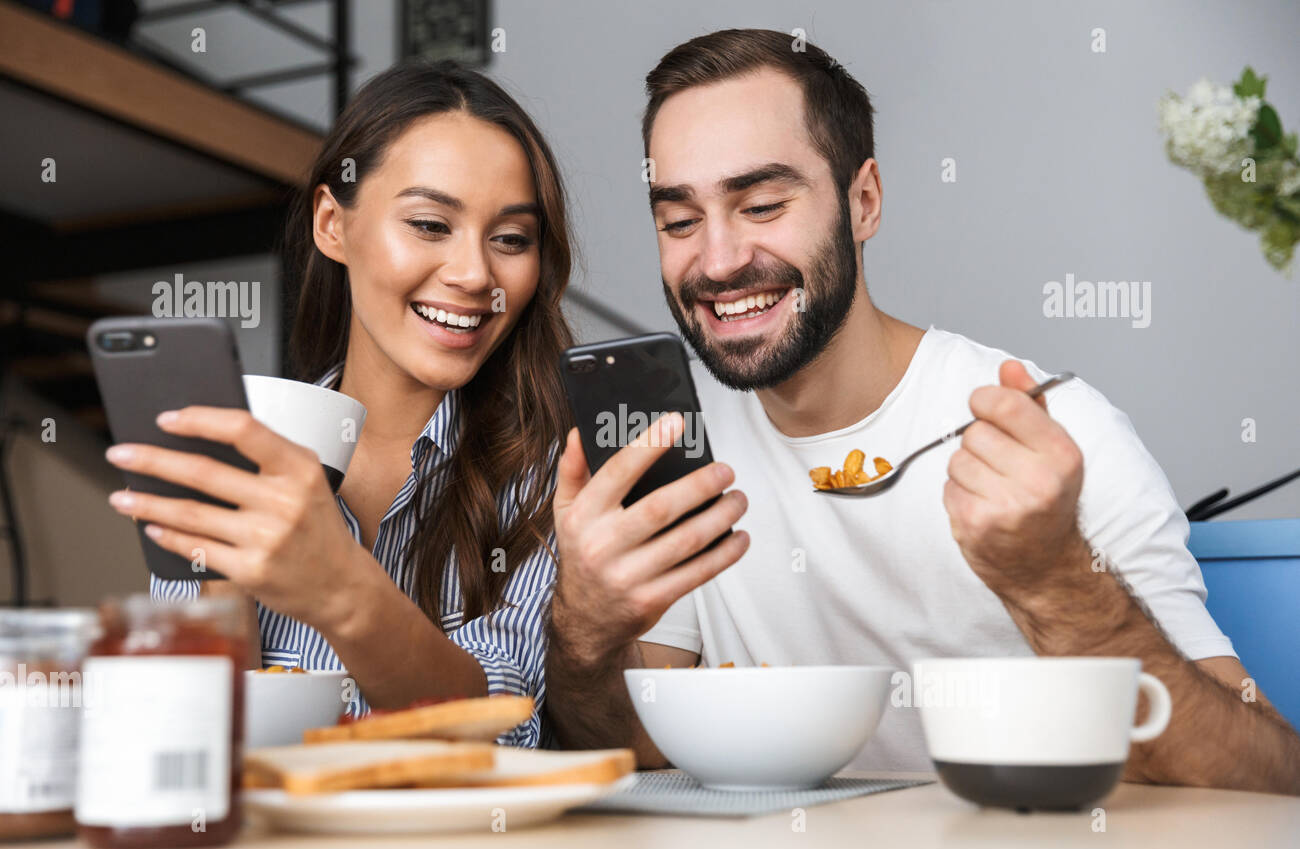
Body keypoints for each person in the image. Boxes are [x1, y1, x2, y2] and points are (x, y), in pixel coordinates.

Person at [543, 28, 1300, 792]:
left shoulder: (1056, 433)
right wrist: (584, 629)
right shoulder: (683, 450)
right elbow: (629, 746)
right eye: (678, 221)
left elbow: (1267, 779)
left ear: (863, 200)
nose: (717, 259)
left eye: (763, 204)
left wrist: (1057, 577)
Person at [106, 61, 575, 746]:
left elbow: (504, 726)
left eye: (510, 239)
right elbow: (184, 733)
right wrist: (223, 586)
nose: (475, 274)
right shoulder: (240, 449)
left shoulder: (555, 478)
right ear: (333, 224)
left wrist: (343, 592)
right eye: (429, 224)